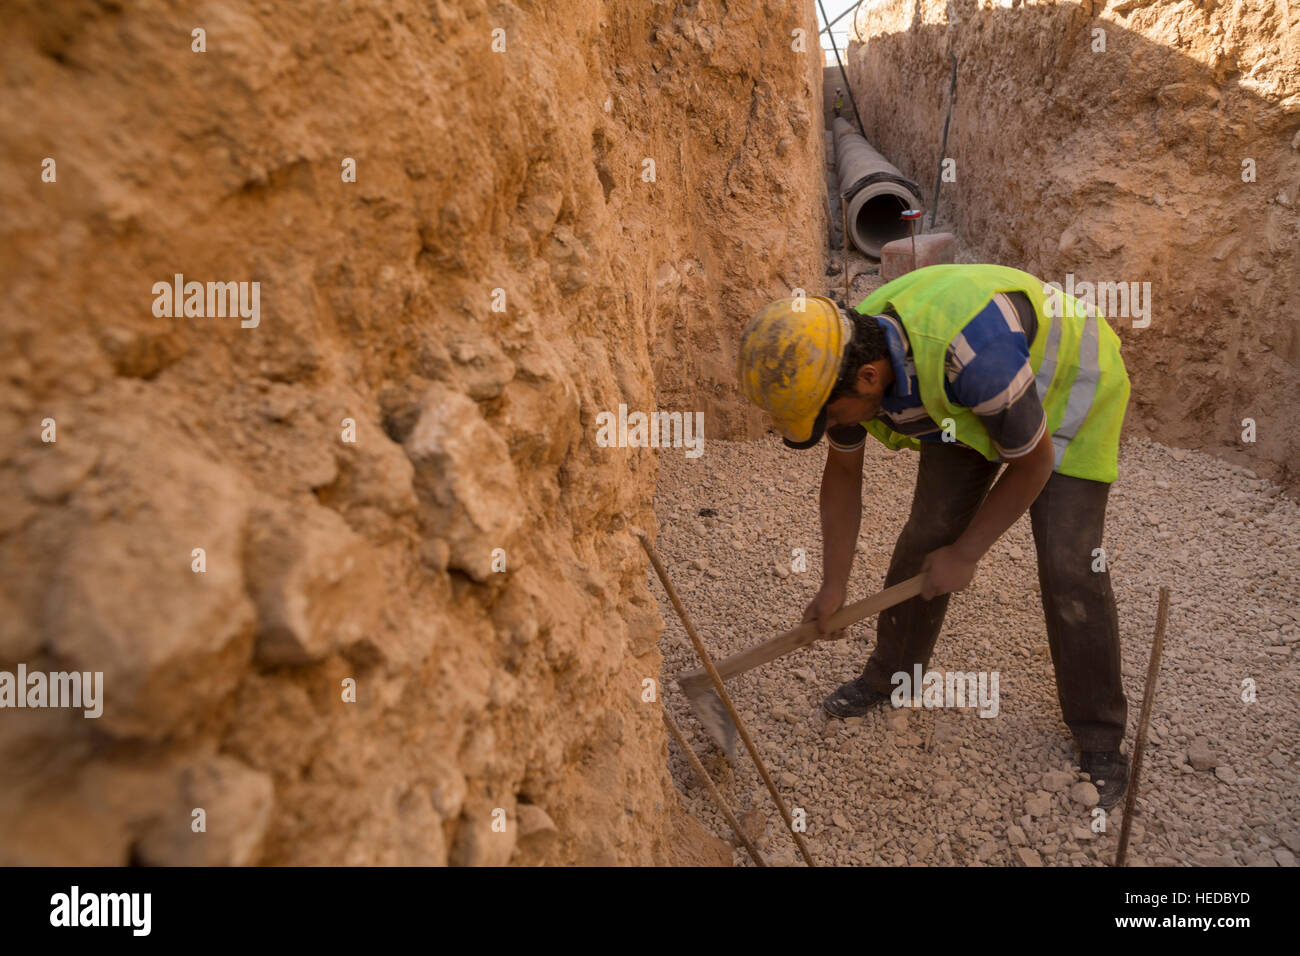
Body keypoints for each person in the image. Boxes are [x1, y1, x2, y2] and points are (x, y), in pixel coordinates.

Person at [736, 264, 1133, 808]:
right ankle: (890, 677)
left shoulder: (973, 358)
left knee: (1069, 566)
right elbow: (843, 476)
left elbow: (1033, 464)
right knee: (927, 538)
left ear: (870, 379)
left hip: (1068, 390)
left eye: (828, 417)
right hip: (967, 402)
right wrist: (834, 585)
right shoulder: (840, 356)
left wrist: (968, 554)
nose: (829, 427)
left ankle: (1100, 735)